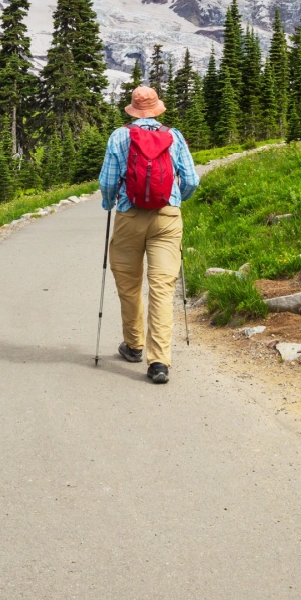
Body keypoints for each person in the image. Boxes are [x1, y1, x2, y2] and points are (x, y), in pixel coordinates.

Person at [97, 85, 200, 384]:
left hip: (129, 217)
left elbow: (107, 182)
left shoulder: (120, 136)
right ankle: (159, 363)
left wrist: (109, 203)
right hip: (167, 218)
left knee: (129, 285)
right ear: (157, 110)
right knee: (162, 288)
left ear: (132, 109)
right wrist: (176, 198)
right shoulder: (174, 135)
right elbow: (192, 179)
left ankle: (133, 345)